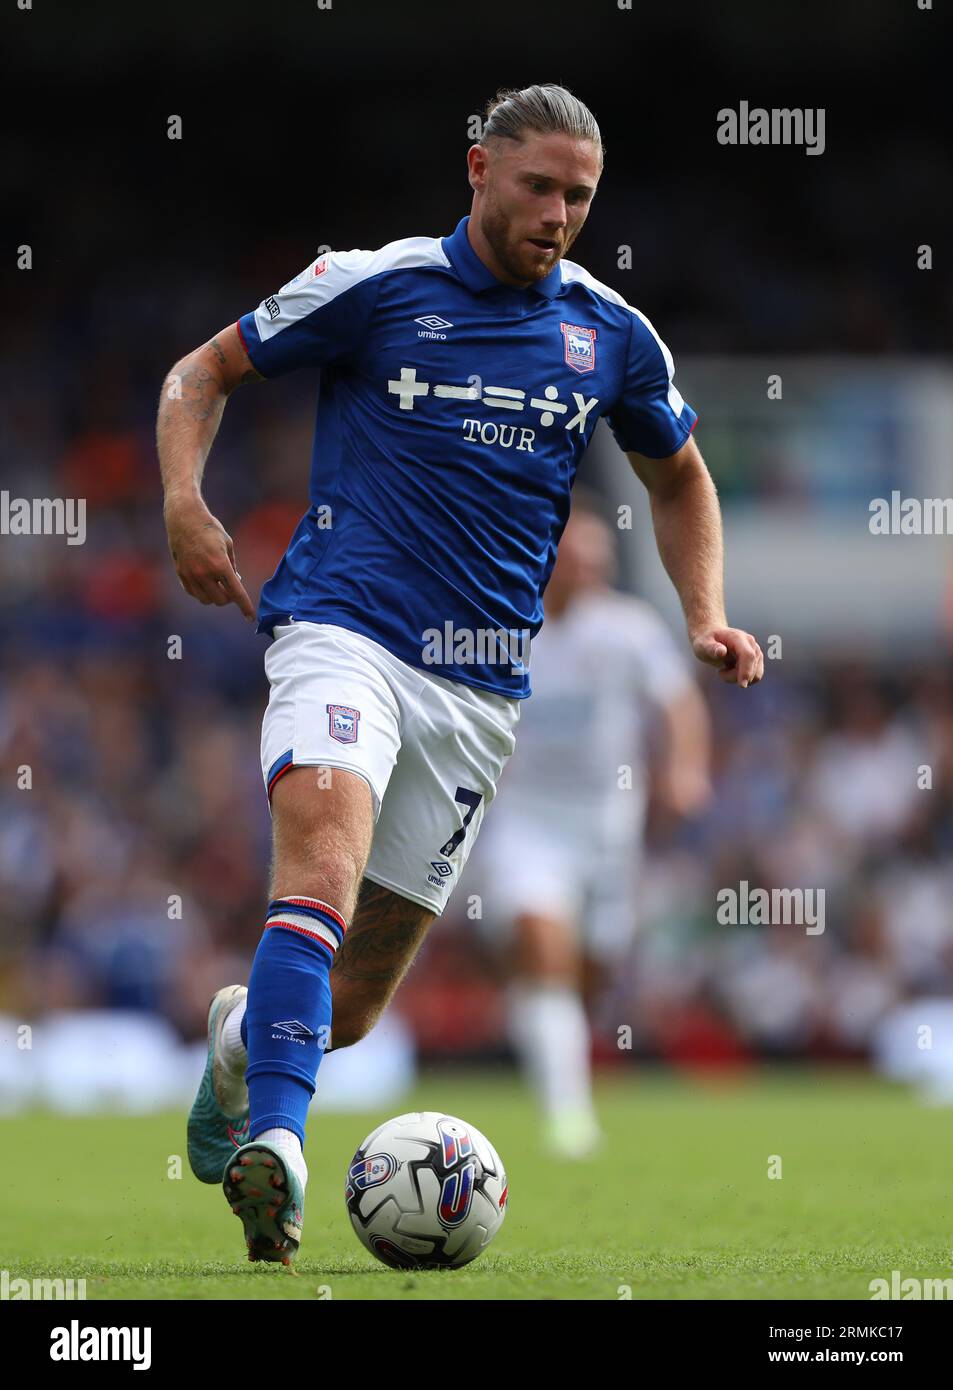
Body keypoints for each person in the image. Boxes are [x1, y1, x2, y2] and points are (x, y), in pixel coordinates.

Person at [157, 83, 763, 1266]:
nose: (558, 215)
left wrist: (704, 612)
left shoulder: (609, 333)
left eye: (579, 197)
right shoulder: (372, 285)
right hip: (342, 631)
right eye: (537, 186)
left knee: (351, 1003)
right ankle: (277, 1146)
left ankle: (241, 1042)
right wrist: (184, 502)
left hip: (480, 692)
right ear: (477, 169)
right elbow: (200, 373)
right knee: (319, 860)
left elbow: (678, 475)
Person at [467, 500, 712, 1158]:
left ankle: (543, 1036)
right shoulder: (504, 629)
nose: (592, 568)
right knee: (540, 943)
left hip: (608, 827)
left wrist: (684, 771)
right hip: (527, 822)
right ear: (547, 558)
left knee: (590, 972)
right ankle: (568, 1117)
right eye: (579, 557)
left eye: (599, 558)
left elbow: (678, 703)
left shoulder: (627, 629)